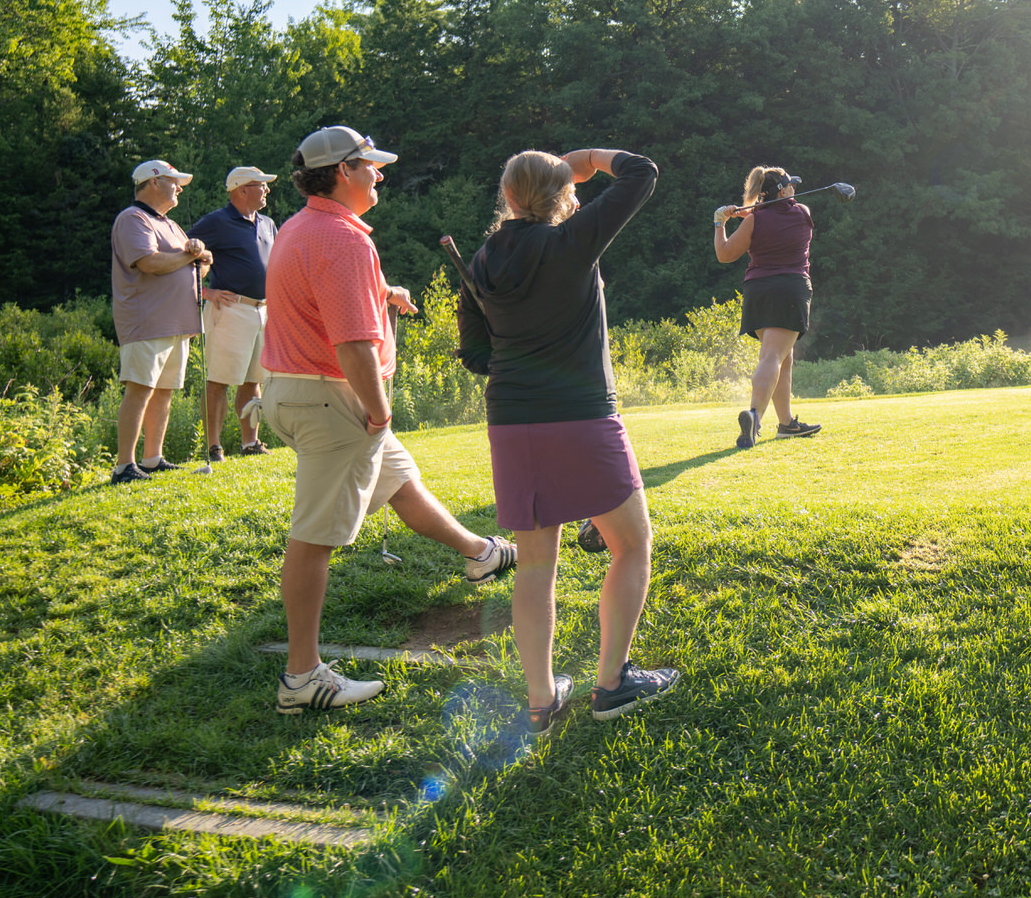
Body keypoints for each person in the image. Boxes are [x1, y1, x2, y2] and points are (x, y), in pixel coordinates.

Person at [262, 125, 518, 715]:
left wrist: (383, 293)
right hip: (333, 400)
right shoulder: (343, 240)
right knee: (315, 536)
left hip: (294, 391)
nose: (379, 173)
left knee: (400, 480)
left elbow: (322, 293)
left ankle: (479, 553)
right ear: (342, 172)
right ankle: (301, 677)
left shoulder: (303, 227)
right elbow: (352, 345)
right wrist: (377, 409)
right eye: (370, 165)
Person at [457, 147, 680, 728]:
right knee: (632, 545)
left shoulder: (480, 261)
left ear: (508, 196)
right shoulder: (571, 242)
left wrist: (518, 347)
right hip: (582, 415)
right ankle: (612, 683)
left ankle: (540, 699)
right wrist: (588, 158)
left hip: (512, 420)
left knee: (534, 566)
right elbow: (643, 171)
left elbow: (477, 355)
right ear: (564, 197)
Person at [110, 160, 212, 484]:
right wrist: (191, 255)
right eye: (173, 181)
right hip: (146, 320)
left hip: (176, 323)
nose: (179, 187)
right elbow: (149, 263)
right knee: (140, 389)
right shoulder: (133, 218)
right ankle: (123, 466)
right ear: (153, 182)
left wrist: (203, 258)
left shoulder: (171, 224)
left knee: (164, 391)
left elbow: (194, 269)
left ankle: (152, 459)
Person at [714, 165, 823, 450]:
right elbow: (779, 217)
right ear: (783, 191)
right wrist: (750, 213)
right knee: (773, 356)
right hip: (790, 289)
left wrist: (720, 222)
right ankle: (755, 416)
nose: (795, 190)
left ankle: (786, 423)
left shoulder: (754, 220)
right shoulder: (803, 213)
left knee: (783, 357)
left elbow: (724, 254)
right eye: (791, 186)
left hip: (758, 291)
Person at [190, 166, 279, 462]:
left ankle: (250, 443)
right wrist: (205, 293)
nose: (267, 190)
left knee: (253, 380)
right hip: (229, 309)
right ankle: (214, 447)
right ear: (242, 190)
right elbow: (183, 255)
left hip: (262, 310)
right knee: (219, 380)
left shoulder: (267, 223)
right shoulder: (216, 222)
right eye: (261, 185)